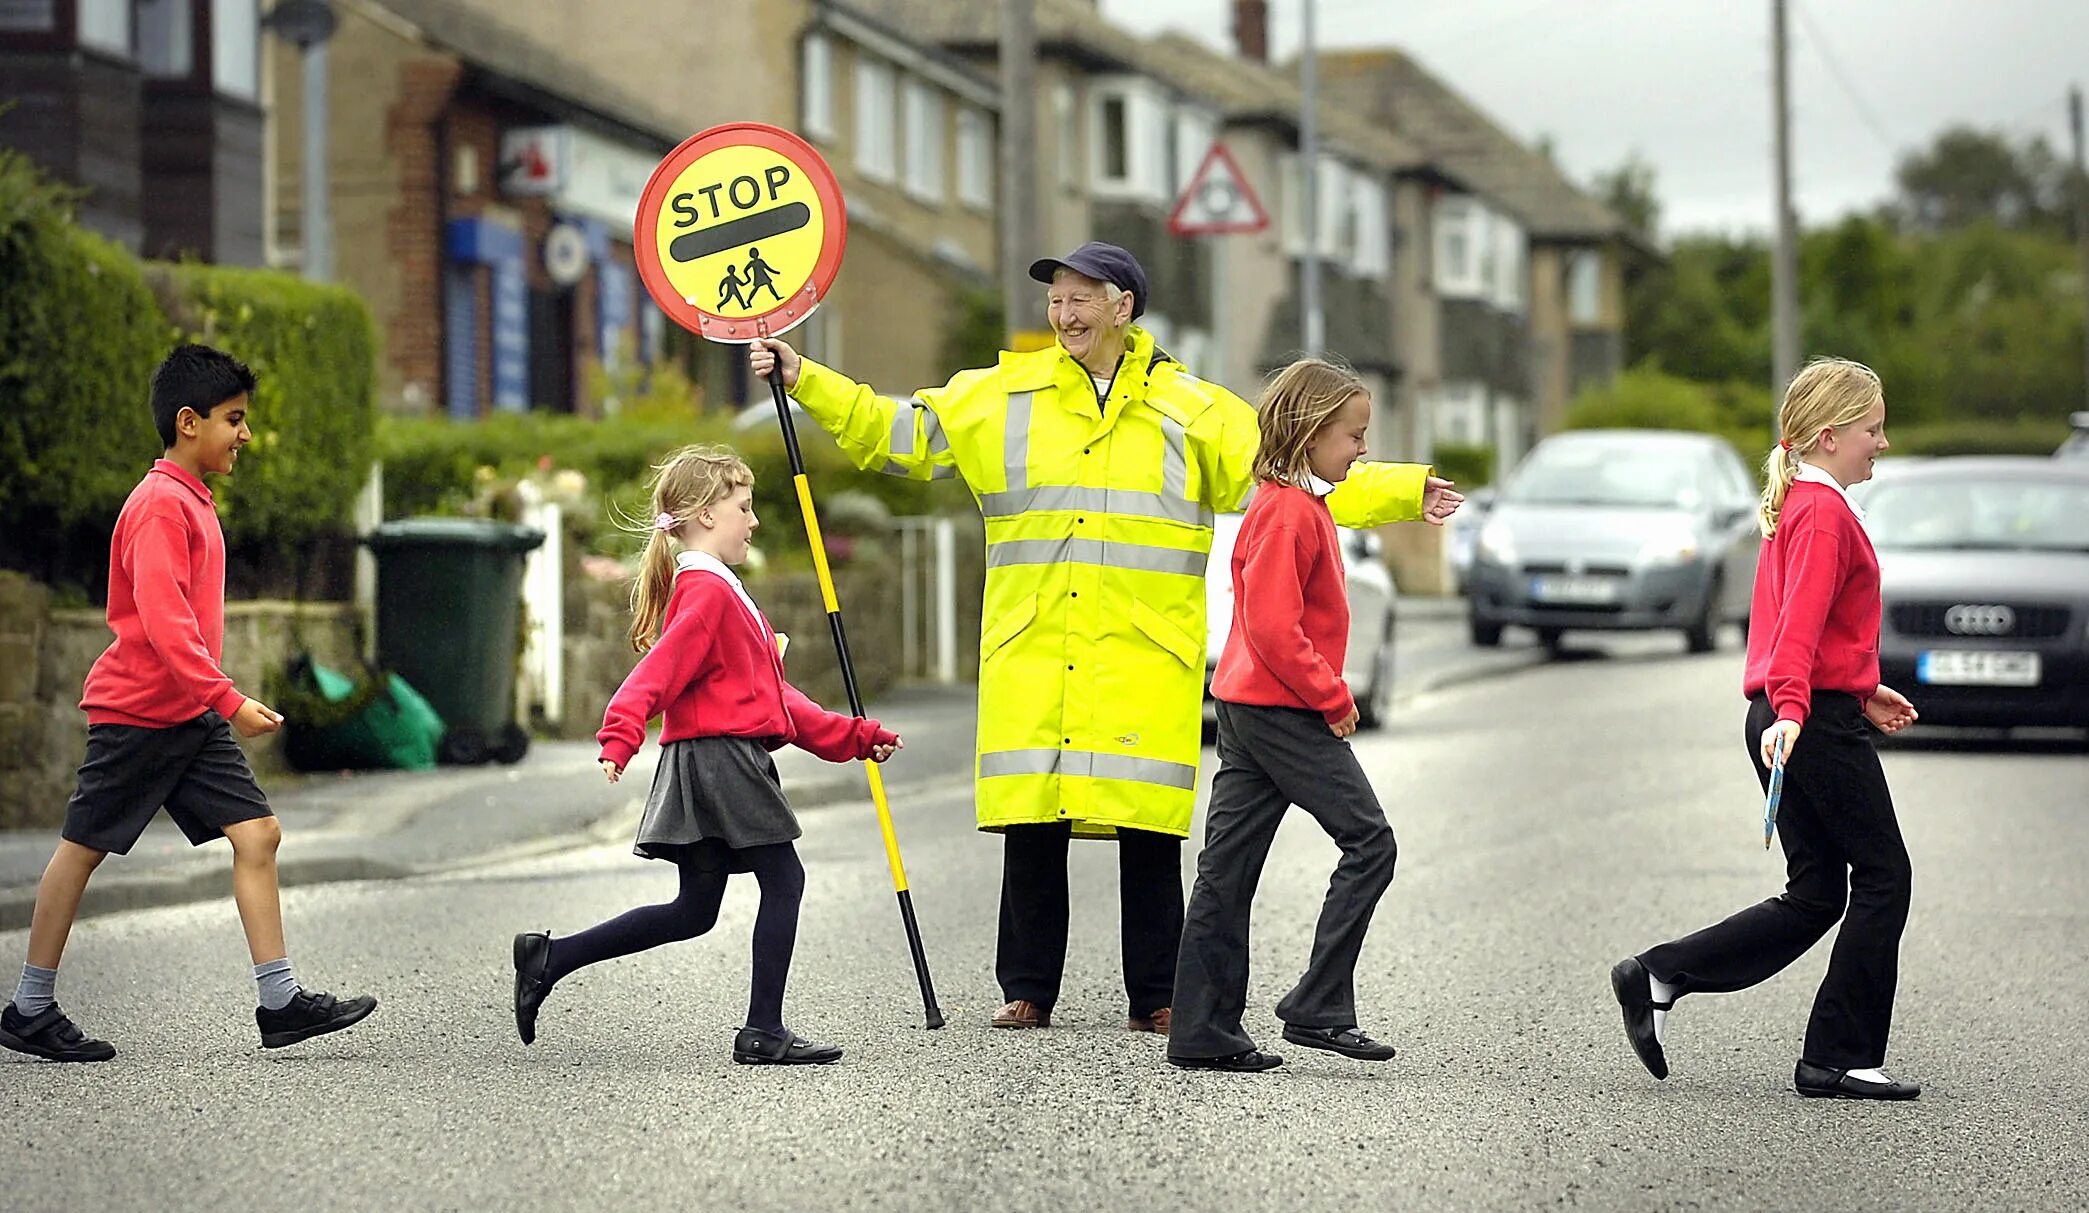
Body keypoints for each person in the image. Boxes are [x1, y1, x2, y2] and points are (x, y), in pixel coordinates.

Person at [750, 242, 1461, 1034]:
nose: (1063, 314)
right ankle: (1027, 988)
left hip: (1141, 651)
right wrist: (802, 377)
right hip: (1035, 643)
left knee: (1147, 827)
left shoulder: (1192, 409)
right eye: (1056, 299)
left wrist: (1403, 488)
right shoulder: (1005, 394)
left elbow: (1295, 464)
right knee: (1032, 823)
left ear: (1123, 306)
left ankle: (1156, 993)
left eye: (1080, 298)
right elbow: (897, 430)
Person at [0, 344, 378, 1063]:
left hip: (188, 714)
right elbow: (166, 623)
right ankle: (29, 1005)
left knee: (258, 833)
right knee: (81, 850)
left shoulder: (191, 499)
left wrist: (213, 703)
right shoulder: (157, 507)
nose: (244, 434)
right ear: (187, 421)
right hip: (140, 712)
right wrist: (229, 699)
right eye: (234, 420)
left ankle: (280, 1001)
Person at [510, 444, 901, 1065]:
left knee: (695, 908)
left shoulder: (723, 591)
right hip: (723, 761)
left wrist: (850, 736)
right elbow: (659, 670)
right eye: (744, 508)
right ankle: (763, 1030)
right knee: (785, 879)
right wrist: (621, 730)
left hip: (713, 760)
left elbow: (771, 695)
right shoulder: (707, 591)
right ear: (704, 515)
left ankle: (550, 957)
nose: (754, 521)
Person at [1611, 357, 1923, 1101]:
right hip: (1803, 719)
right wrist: (1794, 708)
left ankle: (1660, 972)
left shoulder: (1807, 506)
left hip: (1802, 708)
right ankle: (1838, 1056)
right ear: (1827, 436)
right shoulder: (1820, 513)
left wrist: (1858, 683)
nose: (1880, 442)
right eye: (1871, 429)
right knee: (1884, 874)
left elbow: (1801, 626)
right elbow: (1794, 630)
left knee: (1817, 891)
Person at [1167, 359, 1403, 1073]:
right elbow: (1272, 626)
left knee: (1226, 870)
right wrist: (1332, 695)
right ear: (1307, 430)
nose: (1361, 448)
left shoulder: (1290, 503)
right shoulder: (1286, 510)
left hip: (1247, 703)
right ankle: (1317, 1006)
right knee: (1370, 843)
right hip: (1278, 707)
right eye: (1352, 434)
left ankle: (1202, 1030)